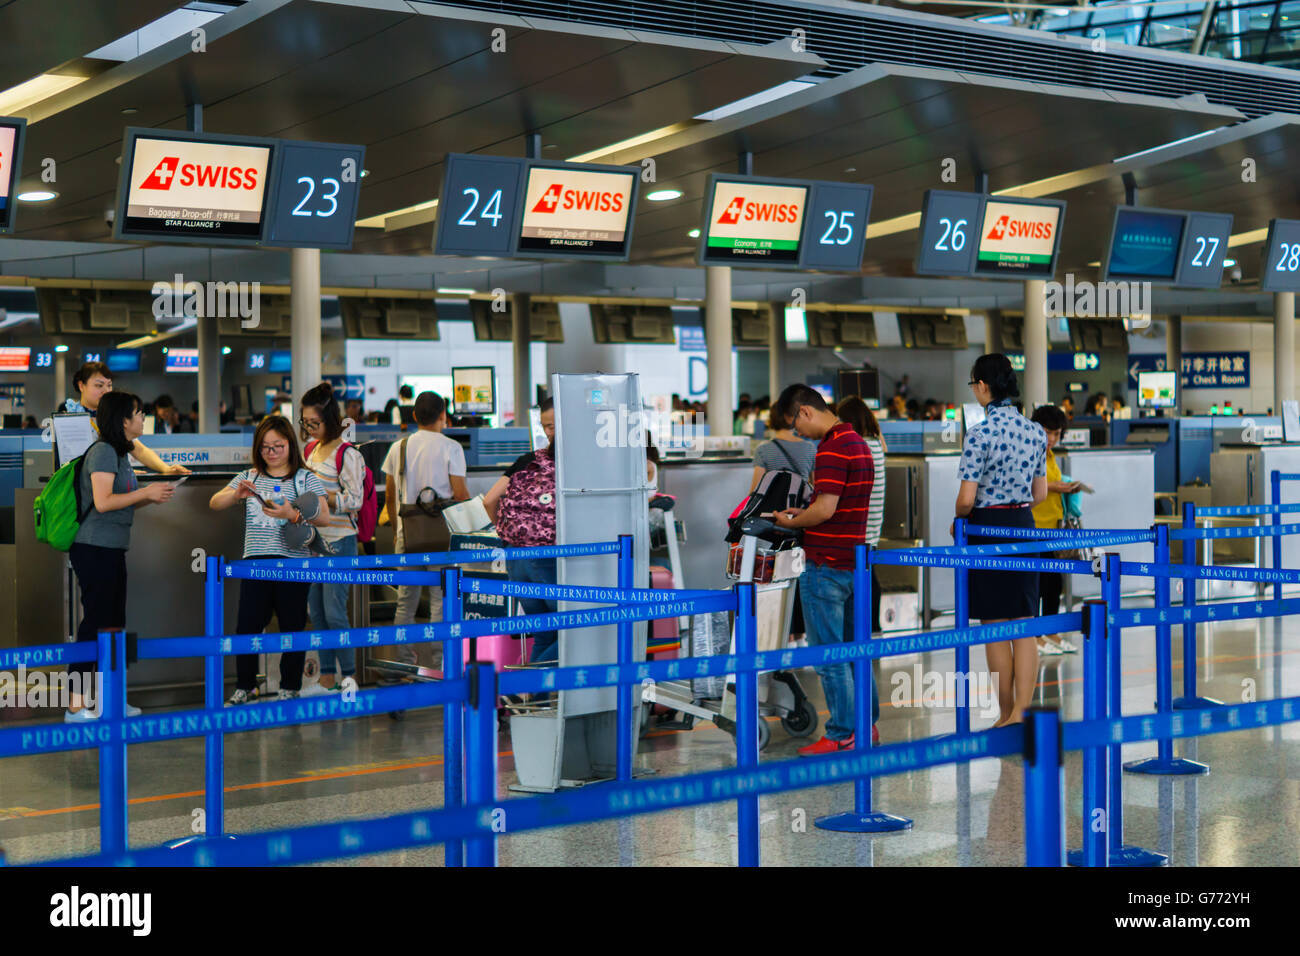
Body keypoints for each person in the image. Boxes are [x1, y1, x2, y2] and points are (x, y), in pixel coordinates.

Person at [772, 384, 879, 754]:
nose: (800, 434)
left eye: (798, 426)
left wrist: (792, 520)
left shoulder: (832, 447)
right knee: (856, 650)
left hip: (826, 565)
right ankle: (866, 728)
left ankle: (841, 735)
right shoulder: (859, 442)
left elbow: (826, 509)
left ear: (805, 411)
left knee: (830, 656)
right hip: (855, 564)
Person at [65, 392, 178, 721]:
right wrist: (145, 491)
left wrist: (151, 496)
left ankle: (110, 700)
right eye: (139, 413)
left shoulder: (120, 453)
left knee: (114, 625)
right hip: (94, 548)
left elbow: (121, 499)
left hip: (112, 547)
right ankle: (75, 704)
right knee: (95, 624)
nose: (143, 418)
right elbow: (102, 502)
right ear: (123, 421)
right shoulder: (102, 452)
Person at [209, 416, 331, 704]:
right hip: (255, 564)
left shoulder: (304, 478)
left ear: (290, 444)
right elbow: (215, 502)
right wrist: (235, 494)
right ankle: (246, 685)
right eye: (265, 447)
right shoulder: (249, 477)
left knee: (292, 626)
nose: (272, 452)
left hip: (292, 565)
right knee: (247, 627)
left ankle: (290, 687)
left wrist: (292, 515)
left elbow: (324, 516)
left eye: (278, 445)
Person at [956, 354, 1048, 727]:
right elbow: (1039, 493)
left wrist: (959, 519)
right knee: (1025, 622)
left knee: (995, 624)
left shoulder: (979, 434)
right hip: (1024, 525)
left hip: (988, 529)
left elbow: (965, 499)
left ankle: (1005, 713)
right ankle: (1024, 711)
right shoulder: (1036, 432)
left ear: (982, 386)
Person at [381, 391, 469, 670]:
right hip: (443, 534)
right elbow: (460, 493)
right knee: (441, 602)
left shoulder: (399, 447)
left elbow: (390, 497)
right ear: (443, 415)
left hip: (408, 535)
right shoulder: (451, 447)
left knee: (405, 602)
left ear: (415, 416)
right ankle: (442, 665)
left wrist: (398, 533)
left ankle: (405, 664)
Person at [301, 383, 367, 694]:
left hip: (339, 541)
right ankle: (327, 677)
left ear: (329, 419)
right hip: (314, 541)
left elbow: (355, 499)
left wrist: (323, 497)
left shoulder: (347, 454)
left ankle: (350, 677)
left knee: (335, 612)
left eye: (314, 423)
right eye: (305, 423)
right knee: (317, 612)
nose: (310, 429)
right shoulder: (310, 451)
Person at [483, 398, 559, 665]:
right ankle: (525, 684)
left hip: (514, 558)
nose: (549, 432)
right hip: (546, 559)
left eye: (551, 426)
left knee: (545, 637)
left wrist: (506, 532)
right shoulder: (574, 464)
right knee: (576, 632)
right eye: (545, 426)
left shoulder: (527, 460)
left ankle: (533, 697)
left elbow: (489, 500)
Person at [59, 362, 191, 476]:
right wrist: (115, 472)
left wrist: (166, 469)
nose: (106, 391)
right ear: (81, 385)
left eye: (109, 385)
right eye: (99, 386)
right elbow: (70, 463)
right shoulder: (69, 418)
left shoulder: (114, 416)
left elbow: (139, 449)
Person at [1029, 405, 1082, 656]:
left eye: (1057, 434)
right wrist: (1055, 487)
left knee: (1053, 584)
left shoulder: (1050, 455)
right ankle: (1034, 636)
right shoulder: (1030, 451)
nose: (1051, 439)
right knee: (1036, 584)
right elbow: (1028, 484)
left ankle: (1051, 632)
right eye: (1047, 432)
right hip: (1034, 527)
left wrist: (1065, 487)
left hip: (1053, 526)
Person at [837, 396, 887, 636]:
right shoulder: (877, 444)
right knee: (869, 574)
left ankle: (867, 627)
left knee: (862, 580)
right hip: (874, 521)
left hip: (861, 524)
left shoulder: (859, 447)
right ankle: (872, 626)